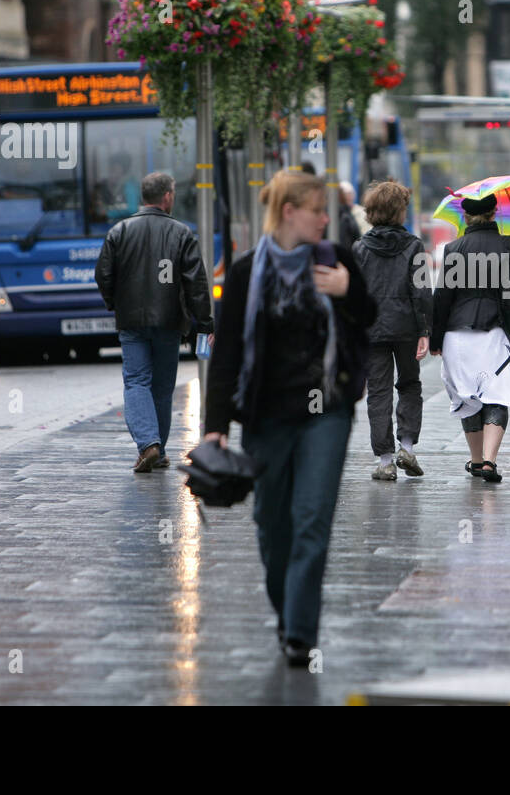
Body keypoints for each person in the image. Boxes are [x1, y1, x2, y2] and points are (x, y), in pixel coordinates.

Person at [202, 171, 376, 665]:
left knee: (310, 520)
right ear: (288, 212)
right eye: (317, 210)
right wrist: (215, 426)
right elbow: (228, 352)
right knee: (270, 523)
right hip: (266, 417)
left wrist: (348, 292)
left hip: (327, 412)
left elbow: (369, 318)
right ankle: (287, 612)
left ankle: (300, 632)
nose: (326, 218)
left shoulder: (337, 261)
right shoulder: (244, 273)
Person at [95, 172, 214, 473]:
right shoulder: (182, 233)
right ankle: (155, 447)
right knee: (162, 387)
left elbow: (103, 275)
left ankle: (150, 446)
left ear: (143, 197)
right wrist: (205, 324)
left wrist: (115, 303)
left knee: (136, 381)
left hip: (131, 321)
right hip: (169, 321)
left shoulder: (119, 231)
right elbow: (196, 284)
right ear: (168, 197)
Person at [431, 193, 510, 482]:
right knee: (497, 396)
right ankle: (490, 462)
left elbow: (442, 298)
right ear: (495, 213)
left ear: (465, 217)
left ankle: (475, 458)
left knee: (467, 397)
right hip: (495, 333)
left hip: (457, 336)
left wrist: (435, 339)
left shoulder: (453, 249)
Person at [352, 181, 431, 481]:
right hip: (407, 328)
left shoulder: (359, 249)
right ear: (400, 212)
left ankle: (385, 461)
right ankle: (406, 447)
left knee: (379, 392)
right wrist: (425, 330)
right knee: (410, 384)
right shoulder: (414, 246)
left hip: (372, 330)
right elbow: (422, 291)